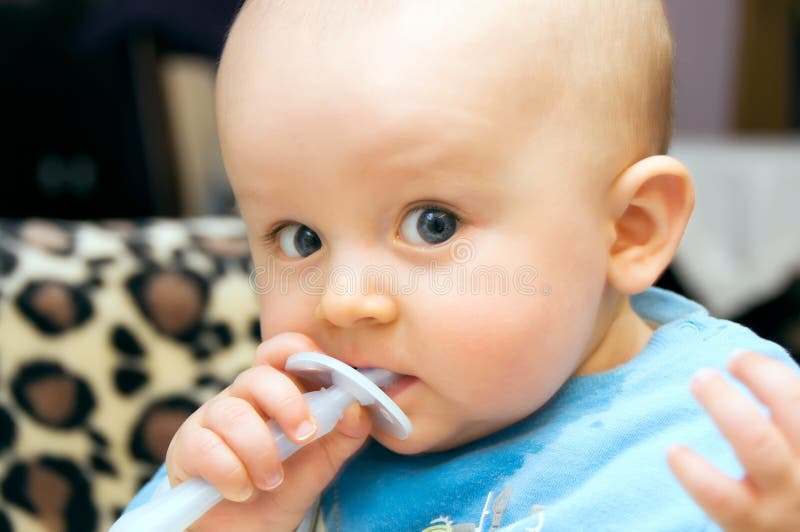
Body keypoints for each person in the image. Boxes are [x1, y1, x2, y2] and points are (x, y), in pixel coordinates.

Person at [125, 0, 800, 529]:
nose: (344, 300)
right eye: (300, 238)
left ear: (628, 231)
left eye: (432, 224)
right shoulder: (272, 446)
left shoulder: (753, 434)